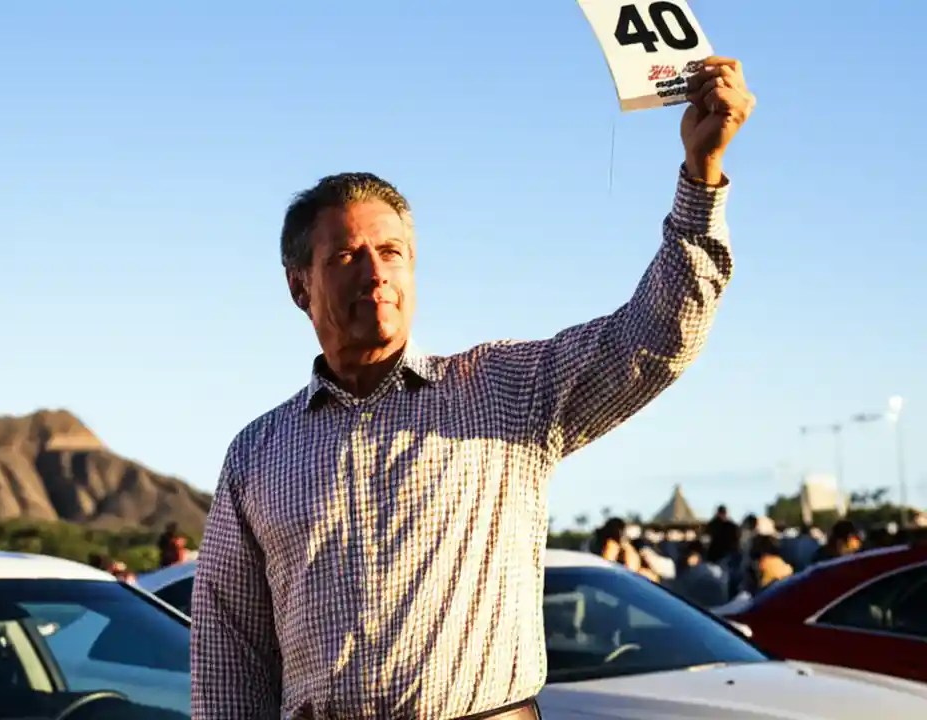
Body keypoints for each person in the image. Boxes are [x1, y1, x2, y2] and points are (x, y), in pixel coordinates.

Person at [191, 57, 755, 719]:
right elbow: (230, 653)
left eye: (392, 251)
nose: (376, 273)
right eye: (346, 256)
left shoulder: (501, 390)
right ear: (299, 286)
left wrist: (702, 175)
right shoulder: (257, 453)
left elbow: (654, 338)